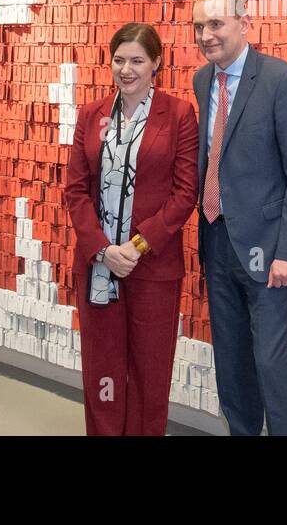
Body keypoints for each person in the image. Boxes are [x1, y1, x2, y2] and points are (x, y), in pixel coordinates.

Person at [192, 0, 287, 435]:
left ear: (244, 24)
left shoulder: (281, 81)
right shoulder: (202, 81)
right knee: (231, 363)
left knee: (271, 364)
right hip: (217, 240)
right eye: (199, 27)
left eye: (216, 24)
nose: (206, 35)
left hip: (270, 249)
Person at [63, 22, 199, 435]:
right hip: (99, 266)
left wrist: (136, 246)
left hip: (152, 267)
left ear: (156, 63)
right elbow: (76, 190)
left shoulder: (179, 114)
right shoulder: (92, 115)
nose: (126, 70)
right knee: (102, 371)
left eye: (137, 60)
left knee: (149, 373)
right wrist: (104, 250)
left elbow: (185, 194)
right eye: (119, 60)